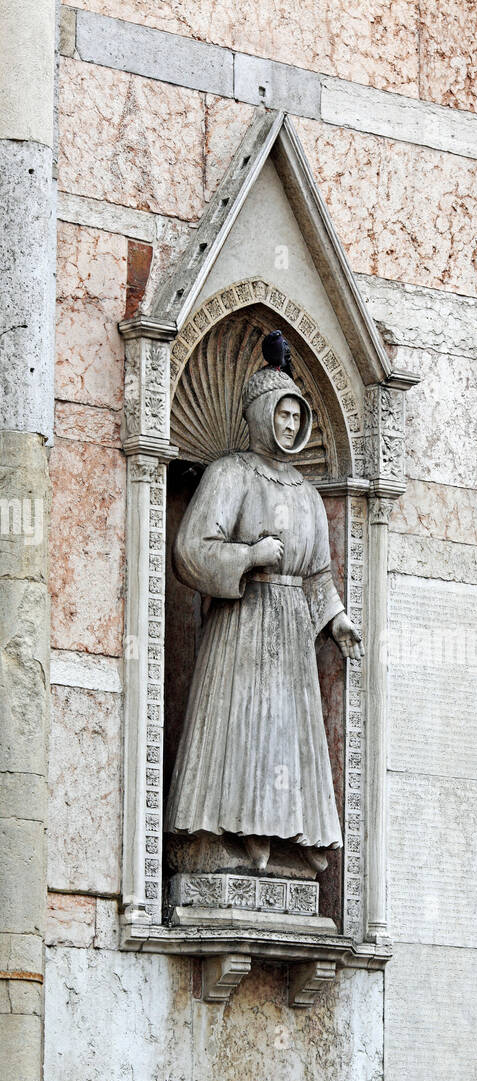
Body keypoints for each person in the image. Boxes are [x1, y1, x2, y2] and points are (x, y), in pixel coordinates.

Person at [165, 333, 361, 875]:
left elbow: (318, 572)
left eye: (298, 416)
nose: (292, 424)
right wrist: (249, 556)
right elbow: (191, 549)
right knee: (241, 723)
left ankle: (286, 837)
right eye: (283, 413)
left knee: (285, 729)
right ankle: (227, 833)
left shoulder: (307, 494)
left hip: (293, 632)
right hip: (242, 624)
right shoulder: (230, 474)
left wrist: (336, 618)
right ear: (259, 415)